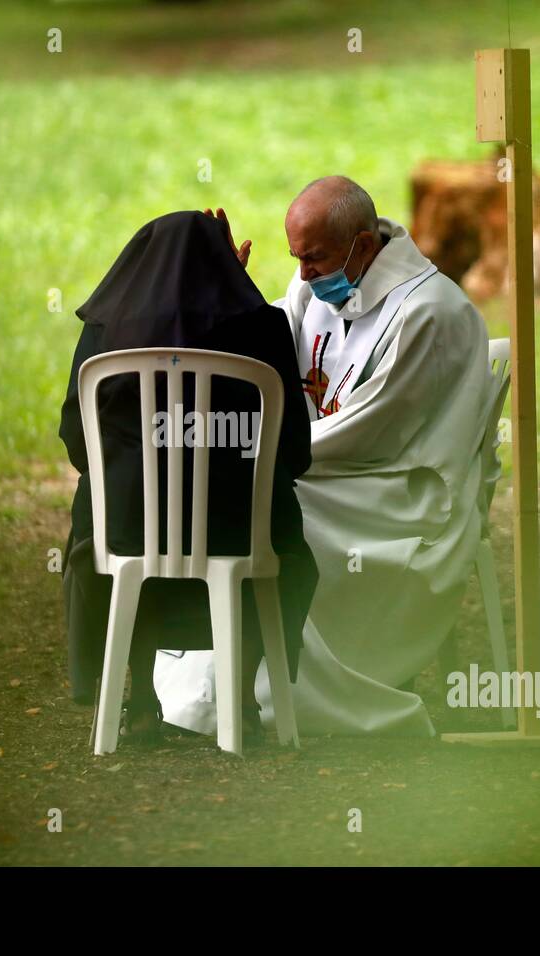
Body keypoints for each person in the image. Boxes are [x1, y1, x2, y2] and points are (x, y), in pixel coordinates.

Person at [155, 177, 495, 736]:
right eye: (297, 258)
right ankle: (219, 689)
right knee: (245, 499)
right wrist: (230, 291)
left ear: (362, 245)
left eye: (314, 258)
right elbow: (268, 353)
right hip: (331, 474)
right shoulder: (315, 285)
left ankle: (258, 692)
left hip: (397, 495)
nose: (305, 274)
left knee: (261, 508)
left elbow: (372, 431)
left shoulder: (430, 312)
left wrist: (264, 452)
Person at [59, 210, 318, 743]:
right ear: (228, 266)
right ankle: (243, 699)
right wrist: (234, 288)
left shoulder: (103, 330)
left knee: (101, 507)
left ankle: (142, 701)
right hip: (240, 534)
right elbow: (295, 450)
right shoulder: (263, 326)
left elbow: (77, 442)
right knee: (274, 516)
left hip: (128, 538)